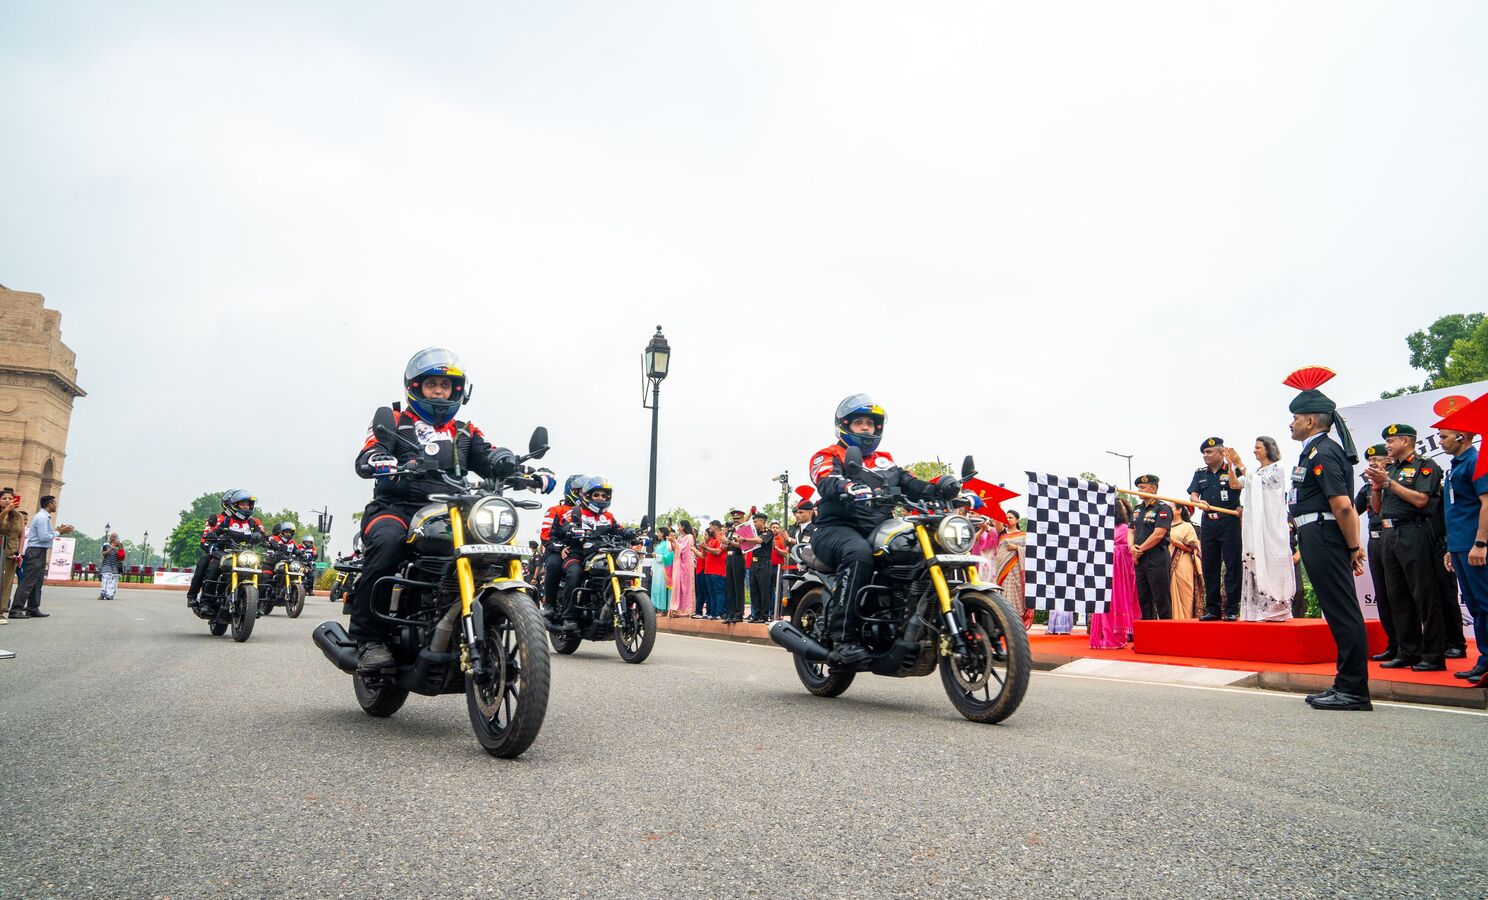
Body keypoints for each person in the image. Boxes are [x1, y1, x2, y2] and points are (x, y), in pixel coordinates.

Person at [350, 348, 554, 671]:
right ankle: (368, 639)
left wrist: (509, 463)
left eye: (446, 385)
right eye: (433, 384)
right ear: (416, 388)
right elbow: (369, 452)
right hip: (397, 507)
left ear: (457, 391)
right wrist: (378, 459)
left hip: (451, 512)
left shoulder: (464, 431)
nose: (440, 391)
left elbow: (486, 456)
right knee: (388, 542)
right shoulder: (394, 421)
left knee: (491, 550)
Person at [808, 394, 958, 666]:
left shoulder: (885, 461)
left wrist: (943, 490)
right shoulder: (829, 454)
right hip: (835, 528)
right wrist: (847, 487)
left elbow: (911, 483)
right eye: (859, 423)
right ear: (845, 425)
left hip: (878, 527)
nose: (866, 428)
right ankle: (844, 640)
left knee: (915, 550)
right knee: (858, 553)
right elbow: (826, 480)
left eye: (870, 423)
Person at [1285, 369, 1370, 711]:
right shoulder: (1311, 451)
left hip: (1324, 533)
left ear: (1309, 420)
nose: (1290, 424)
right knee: (1335, 611)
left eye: (1294, 418)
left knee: (1343, 611)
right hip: (1313, 533)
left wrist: (1353, 547)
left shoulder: (1323, 451)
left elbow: (1343, 506)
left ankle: (1354, 690)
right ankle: (1344, 682)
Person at [1366, 423, 1446, 672]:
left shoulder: (1425, 466)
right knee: (1397, 596)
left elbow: (1421, 500)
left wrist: (1388, 483)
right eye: (1386, 442)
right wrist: (1377, 488)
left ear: (1407, 441)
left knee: (1424, 594)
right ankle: (1407, 651)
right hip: (1389, 534)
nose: (1387, 446)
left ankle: (1433, 655)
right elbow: (1377, 509)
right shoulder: (1392, 469)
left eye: (1391, 441)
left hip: (1414, 531)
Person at [1438, 427, 1488, 685]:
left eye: (1444, 436)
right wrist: (1451, 547)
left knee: (1484, 604)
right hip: (1459, 545)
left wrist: (1480, 543)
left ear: (1462, 436)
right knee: (1475, 605)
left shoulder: (1476, 461)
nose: (1440, 441)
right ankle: (1484, 660)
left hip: (1474, 545)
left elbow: (1486, 502)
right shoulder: (1456, 465)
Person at [1231, 436, 1294, 622]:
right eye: (1255, 447)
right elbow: (1235, 485)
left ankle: (1277, 608)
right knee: (1255, 560)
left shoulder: (1276, 469)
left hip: (1271, 526)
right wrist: (1231, 466)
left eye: (1258, 447)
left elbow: (1261, 483)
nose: (1255, 450)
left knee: (1273, 560)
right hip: (1254, 527)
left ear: (1269, 448)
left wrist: (1240, 464)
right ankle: (1257, 609)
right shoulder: (1254, 471)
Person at [549, 476, 618, 629]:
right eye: (596, 495)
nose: (601, 498)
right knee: (575, 572)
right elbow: (565, 525)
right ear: (587, 496)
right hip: (578, 554)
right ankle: (569, 617)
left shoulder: (608, 516)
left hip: (601, 554)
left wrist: (630, 533)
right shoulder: (577, 511)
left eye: (604, 495)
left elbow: (618, 529)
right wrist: (572, 529)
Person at [1189, 438, 1243, 621]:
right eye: (1204, 453)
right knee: (1209, 566)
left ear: (1221, 452)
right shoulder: (1200, 473)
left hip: (1230, 522)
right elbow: (1193, 495)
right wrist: (1198, 502)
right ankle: (1212, 608)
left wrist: (1243, 508)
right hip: (1209, 523)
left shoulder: (1232, 470)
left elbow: (1247, 489)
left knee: (1232, 565)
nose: (1205, 456)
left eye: (1209, 452)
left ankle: (1231, 609)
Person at [187, 490, 268, 611]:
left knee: (261, 572)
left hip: (245, 554)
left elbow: (264, 536)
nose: (246, 507)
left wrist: (262, 537)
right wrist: (214, 535)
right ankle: (205, 602)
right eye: (242, 504)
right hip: (223, 553)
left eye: (248, 504)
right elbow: (212, 534)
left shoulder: (252, 522)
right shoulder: (226, 520)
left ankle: (259, 603)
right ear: (234, 505)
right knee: (211, 567)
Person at [1356, 445, 1396, 656]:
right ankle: (1393, 644)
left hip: (1397, 540)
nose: (1372, 465)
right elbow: (1352, 514)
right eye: (1369, 462)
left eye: (1376, 461)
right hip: (1376, 543)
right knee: (1382, 594)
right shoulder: (1366, 489)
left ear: (1388, 462)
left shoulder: (1395, 484)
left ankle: (1414, 645)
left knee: (1401, 594)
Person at [9, 494, 75, 619]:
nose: (56, 505)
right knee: (28, 582)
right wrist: (60, 532)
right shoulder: (42, 518)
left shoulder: (44, 517)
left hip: (39, 551)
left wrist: (57, 530)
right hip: (36, 551)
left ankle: (33, 608)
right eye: (54, 503)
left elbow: (45, 535)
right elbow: (43, 537)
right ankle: (16, 609)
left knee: (37, 581)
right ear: (49, 504)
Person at [1090, 497, 1139, 648]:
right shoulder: (1103, 528)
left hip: (1118, 574)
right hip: (1103, 572)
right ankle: (1102, 638)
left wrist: (1112, 549)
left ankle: (1115, 638)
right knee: (1103, 605)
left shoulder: (1125, 528)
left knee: (1114, 605)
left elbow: (1127, 550)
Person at [539, 475, 585, 614]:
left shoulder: (590, 511)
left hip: (582, 550)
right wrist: (560, 548)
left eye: (584, 491)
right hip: (557, 550)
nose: (582, 494)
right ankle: (549, 604)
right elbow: (546, 537)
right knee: (554, 564)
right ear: (570, 490)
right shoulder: (555, 510)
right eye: (579, 491)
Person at [1130, 476, 1173, 621]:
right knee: (1143, 599)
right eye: (1139, 487)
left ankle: (1167, 636)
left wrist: (1139, 549)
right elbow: (1131, 530)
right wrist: (1131, 547)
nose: (1139, 490)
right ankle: (1148, 637)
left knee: (1161, 598)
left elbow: (1159, 534)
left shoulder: (1163, 508)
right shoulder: (1137, 509)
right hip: (1140, 560)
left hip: (1157, 557)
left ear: (1153, 488)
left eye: (1143, 487)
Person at [992, 510, 1030, 628]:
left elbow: (1029, 552)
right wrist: (997, 506)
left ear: (1017, 520)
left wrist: (1016, 547)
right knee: (1003, 591)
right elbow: (997, 520)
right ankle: (1003, 620)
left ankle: (1016, 622)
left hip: (1017, 568)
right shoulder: (1001, 532)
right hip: (1002, 569)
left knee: (1017, 593)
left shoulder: (1023, 535)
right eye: (1007, 517)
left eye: (1011, 517)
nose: (1008, 520)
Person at [1167, 505, 1203, 619]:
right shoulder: (1163, 526)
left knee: (1185, 596)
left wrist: (1173, 541)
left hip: (1183, 562)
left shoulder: (1187, 527)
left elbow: (1192, 548)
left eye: (1171, 507)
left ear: (1179, 510)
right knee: (1170, 597)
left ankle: (1186, 624)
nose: (1168, 510)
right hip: (1165, 563)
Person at [722, 509, 754, 625]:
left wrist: (728, 542)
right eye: (734, 519)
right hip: (729, 558)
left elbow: (745, 546)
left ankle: (738, 614)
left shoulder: (744, 530)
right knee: (730, 588)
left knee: (738, 587)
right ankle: (730, 613)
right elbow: (724, 546)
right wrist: (724, 542)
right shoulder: (730, 531)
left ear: (742, 519)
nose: (736, 521)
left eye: (738, 519)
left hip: (738, 558)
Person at [0, 488, 24, 624]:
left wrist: (19, 552)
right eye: (4, 498)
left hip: (11, 552)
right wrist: (6, 511)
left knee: (7, 583)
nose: (8, 501)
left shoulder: (18, 516)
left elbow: (21, 536)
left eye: (10, 498)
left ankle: (1, 612)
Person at [747, 511, 775, 622]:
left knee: (764, 590)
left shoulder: (767, 532)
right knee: (754, 590)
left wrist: (745, 540)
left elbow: (760, 541)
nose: (754, 523)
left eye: (755, 521)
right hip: (754, 563)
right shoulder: (755, 532)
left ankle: (764, 615)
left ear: (762, 521)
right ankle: (756, 614)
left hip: (764, 563)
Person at [698, 521, 727, 619]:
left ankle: (719, 613)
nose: (709, 529)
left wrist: (706, 547)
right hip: (708, 570)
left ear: (715, 527)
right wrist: (703, 548)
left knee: (718, 592)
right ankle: (713, 612)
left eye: (710, 527)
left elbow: (718, 552)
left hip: (718, 570)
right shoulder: (711, 539)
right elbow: (704, 555)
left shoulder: (721, 537)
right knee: (711, 592)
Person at [670, 520, 696, 617]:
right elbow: (675, 549)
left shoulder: (689, 537)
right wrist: (672, 542)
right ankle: (677, 609)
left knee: (686, 588)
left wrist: (674, 542)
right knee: (678, 587)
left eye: (679, 526)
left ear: (684, 527)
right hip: (679, 565)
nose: (678, 528)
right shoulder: (680, 537)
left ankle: (686, 610)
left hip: (686, 566)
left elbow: (684, 550)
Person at [651, 525, 673, 614]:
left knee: (661, 588)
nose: (658, 534)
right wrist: (652, 568)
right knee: (656, 588)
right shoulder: (660, 543)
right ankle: (656, 608)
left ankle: (663, 609)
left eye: (659, 532)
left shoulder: (667, 544)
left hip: (662, 569)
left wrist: (657, 556)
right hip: (656, 569)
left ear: (663, 533)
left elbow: (668, 557)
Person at [98, 533, 126, 600]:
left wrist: (119, 546)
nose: (114, 538)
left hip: (115, 566)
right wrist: (111, 548)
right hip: (106, 565)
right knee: (105, 580)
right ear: (110, 538)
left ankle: (109, 595)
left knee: (113, 581)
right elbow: (103, 554)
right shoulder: (106, 545)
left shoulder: (119, 545)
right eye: (113, 537)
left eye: (115, 537)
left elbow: (122, 556)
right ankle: (102, 594)